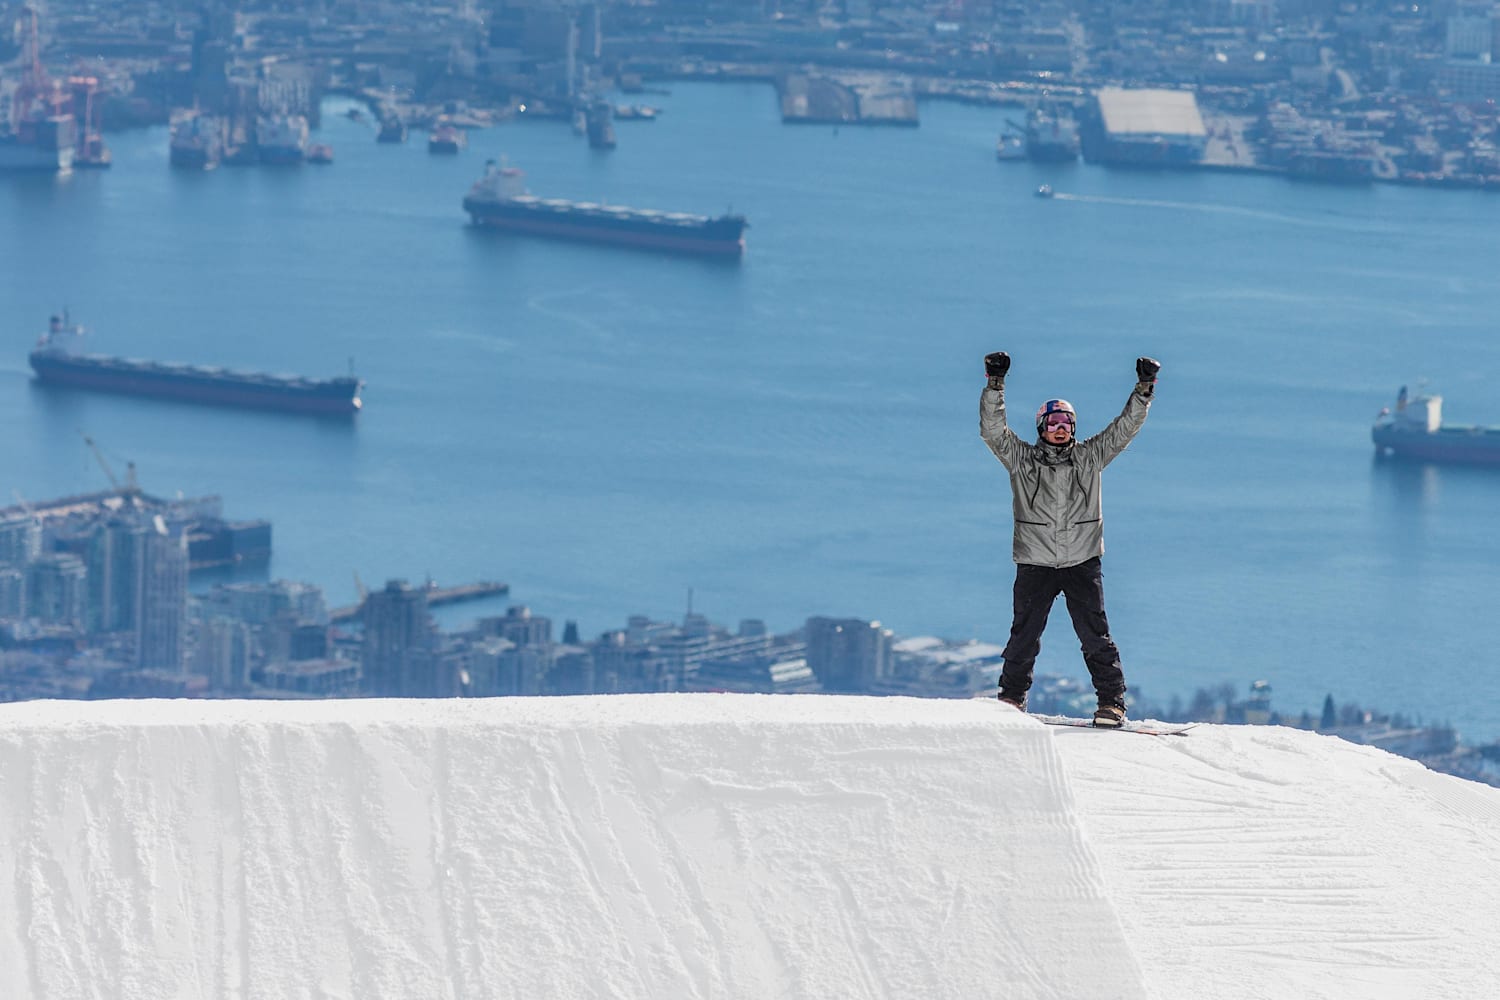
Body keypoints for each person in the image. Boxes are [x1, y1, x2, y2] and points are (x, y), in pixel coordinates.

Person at [978, 352, 1159, 727]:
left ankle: (1112, 704)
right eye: (1053, 422)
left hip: (1082, 560)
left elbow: (1124, 428)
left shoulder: (1090, 458)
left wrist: (1144, 389)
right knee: (1023, 638)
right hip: (1035, 562)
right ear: (1041, 427)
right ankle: (1011, 700)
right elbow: (993, 431)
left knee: (1096, 637)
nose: (1060, 428)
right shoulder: (1021, 461)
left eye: (1066, 422)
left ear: (1074, 428)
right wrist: (995, 384)